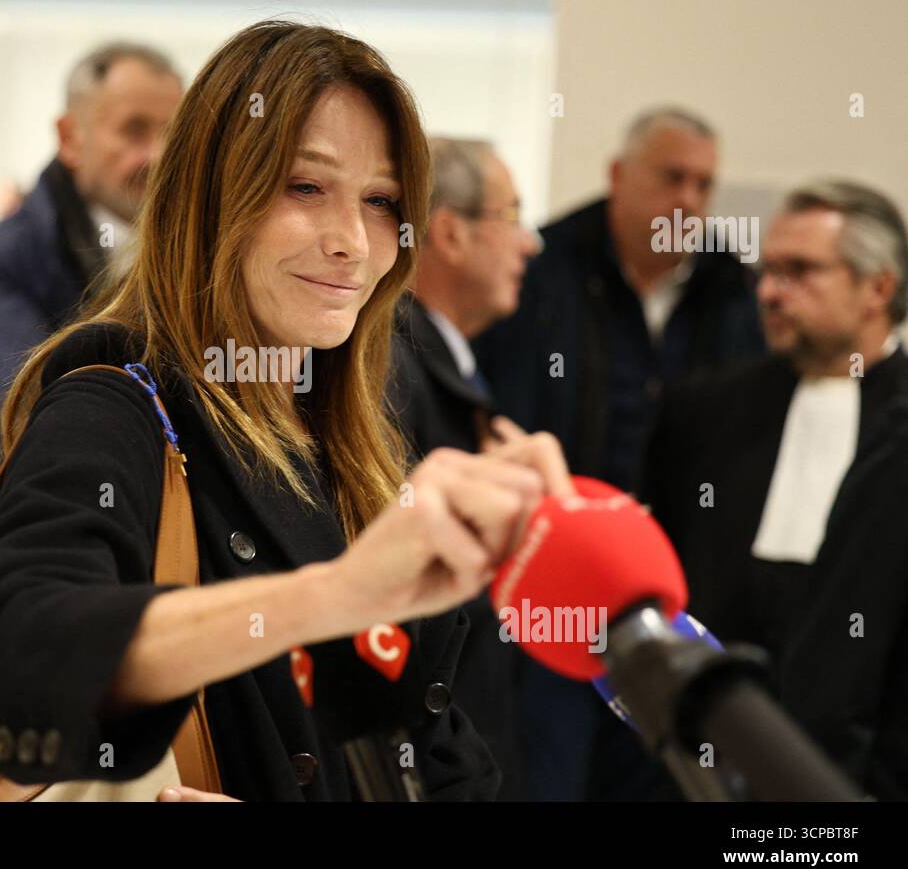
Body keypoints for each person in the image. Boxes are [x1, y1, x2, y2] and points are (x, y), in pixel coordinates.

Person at [0, 20, 574, 801]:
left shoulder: (355, 445)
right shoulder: (112, 398)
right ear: (211, 197)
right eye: (304, 187)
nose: (351, 240)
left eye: (380, 200)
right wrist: (338, 594)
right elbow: (9, 666)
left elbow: (435, 758)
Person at [475, 107, 765, 800]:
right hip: (555, 593)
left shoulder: (733, 290)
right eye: (672, 177)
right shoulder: (544, 270)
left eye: (704, 184)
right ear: (617, 176)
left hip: (676, 600)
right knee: (546, 777)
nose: (689, 200)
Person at [642, 180, 908, 799]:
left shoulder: (900, 420)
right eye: (767, 271)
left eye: (800, 272)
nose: (767, 292)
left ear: (878, 288)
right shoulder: (707, 407)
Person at [0, 42, 183, 587]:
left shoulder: (182, 256)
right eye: (134, 130)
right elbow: (14, 425)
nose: (158, 154)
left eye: (173, 133)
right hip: (9, 569)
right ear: (71, 137)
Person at [389, 137, 541, 798]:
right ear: (449, 232)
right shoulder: (393, 364)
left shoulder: (438, 358)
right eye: (513, 215)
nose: (530, 243)